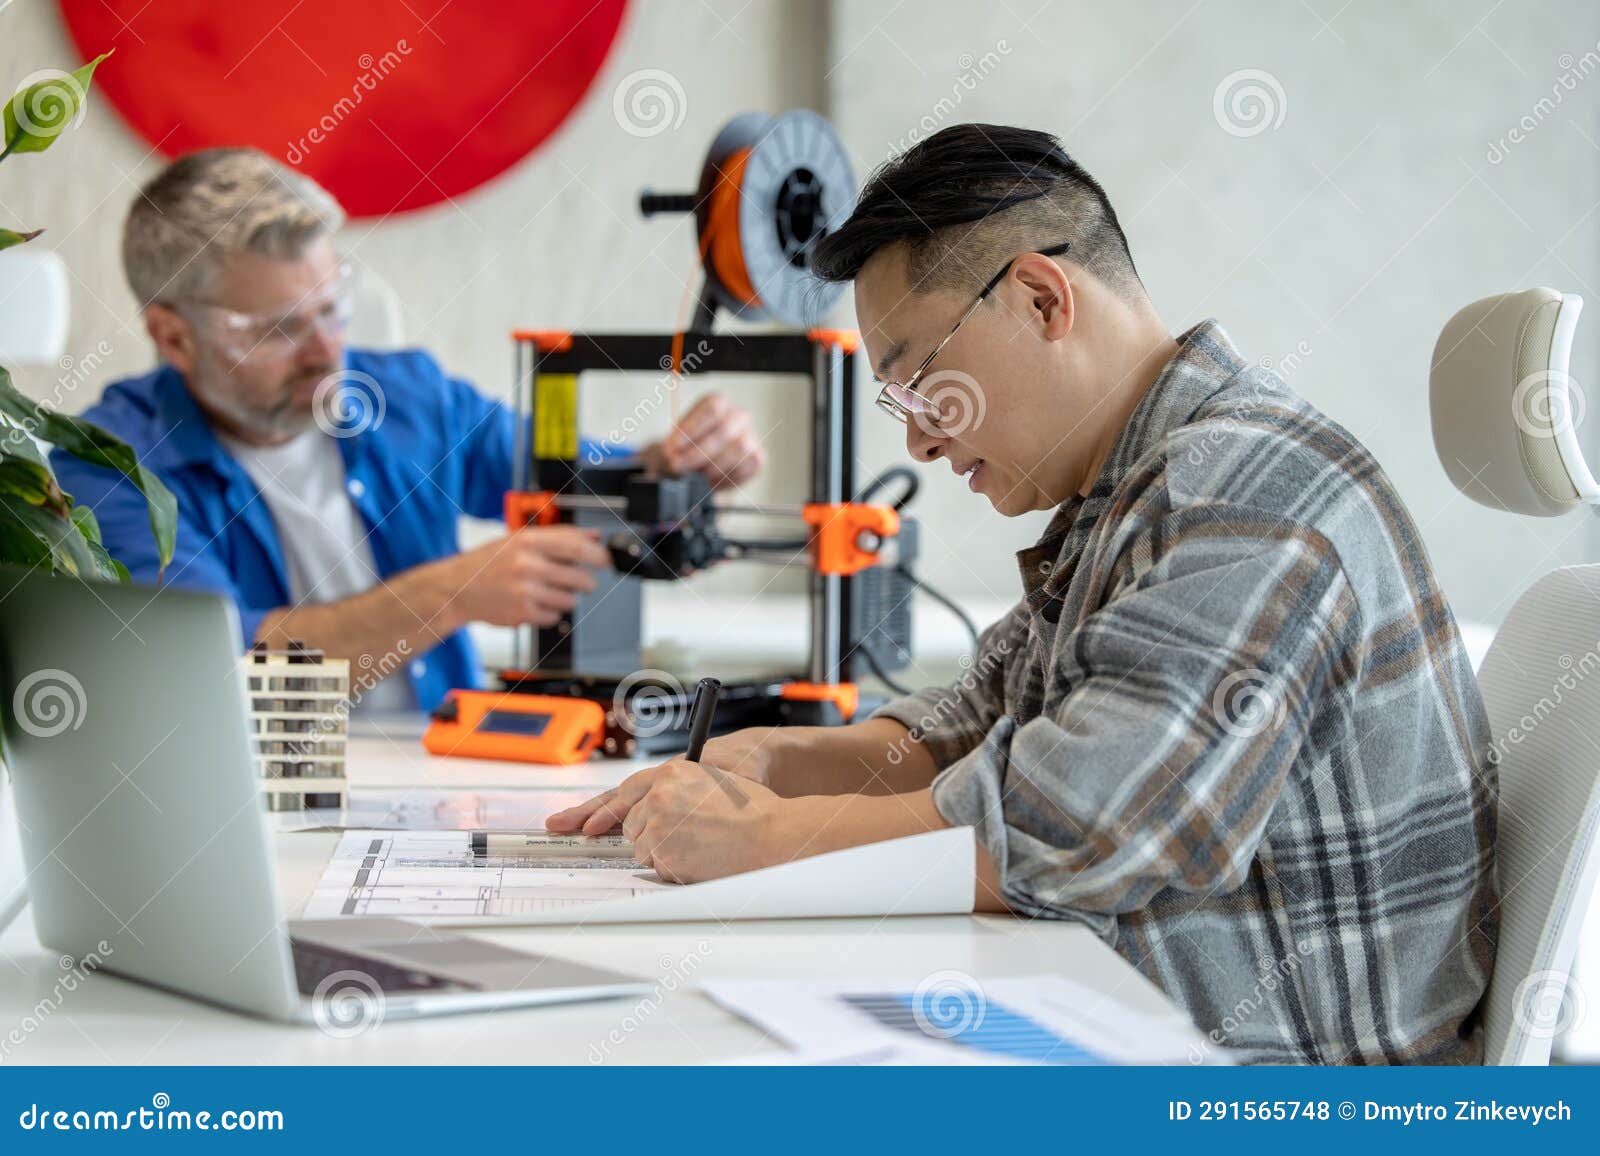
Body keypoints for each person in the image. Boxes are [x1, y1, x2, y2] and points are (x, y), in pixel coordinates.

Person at [547, 124, 1499, 1064]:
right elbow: (983, 721)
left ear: (1042, 299)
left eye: (918, 379)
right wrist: (779, 762)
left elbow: (1081, 825)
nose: (918, 441)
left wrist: (764, 840)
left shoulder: (1246, 491)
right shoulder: (1131, 489)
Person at [52, 148, 767, 711]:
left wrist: (683, 463)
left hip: (446, 776)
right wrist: (450, 593)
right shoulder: (107, 472)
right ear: (172, 337)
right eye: (279, 328)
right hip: (256, 805)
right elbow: (218, 669)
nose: (327, 351)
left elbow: (587, 484)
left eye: (332, 308)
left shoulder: (407, 397)